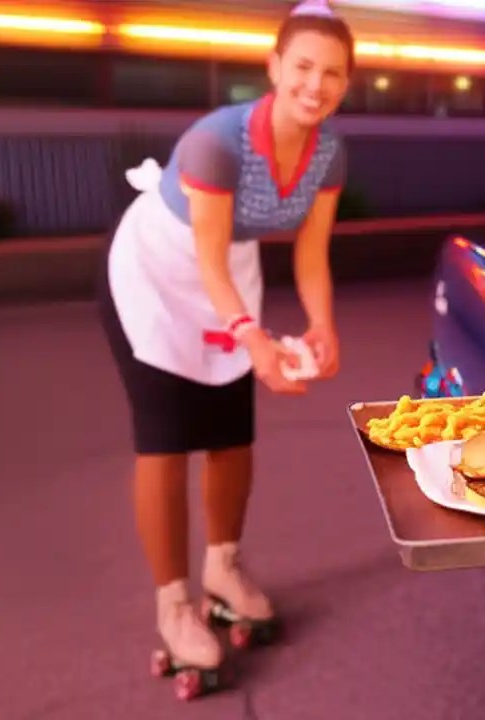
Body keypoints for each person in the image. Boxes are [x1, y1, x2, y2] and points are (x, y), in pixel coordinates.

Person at [96, 0, 352, 696]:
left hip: (226, 275)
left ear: (346, 83)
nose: (315, 85)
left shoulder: (329, 153)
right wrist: (254, 340)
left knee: (231, 435)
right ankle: (173, 604)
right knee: (165, 439)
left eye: (332, 73)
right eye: (303, 66)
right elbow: (206, 257)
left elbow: (310, 255)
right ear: (274, 67)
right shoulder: (219, 142)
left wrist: (321, 324)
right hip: (154, 274)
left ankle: (223, 567)